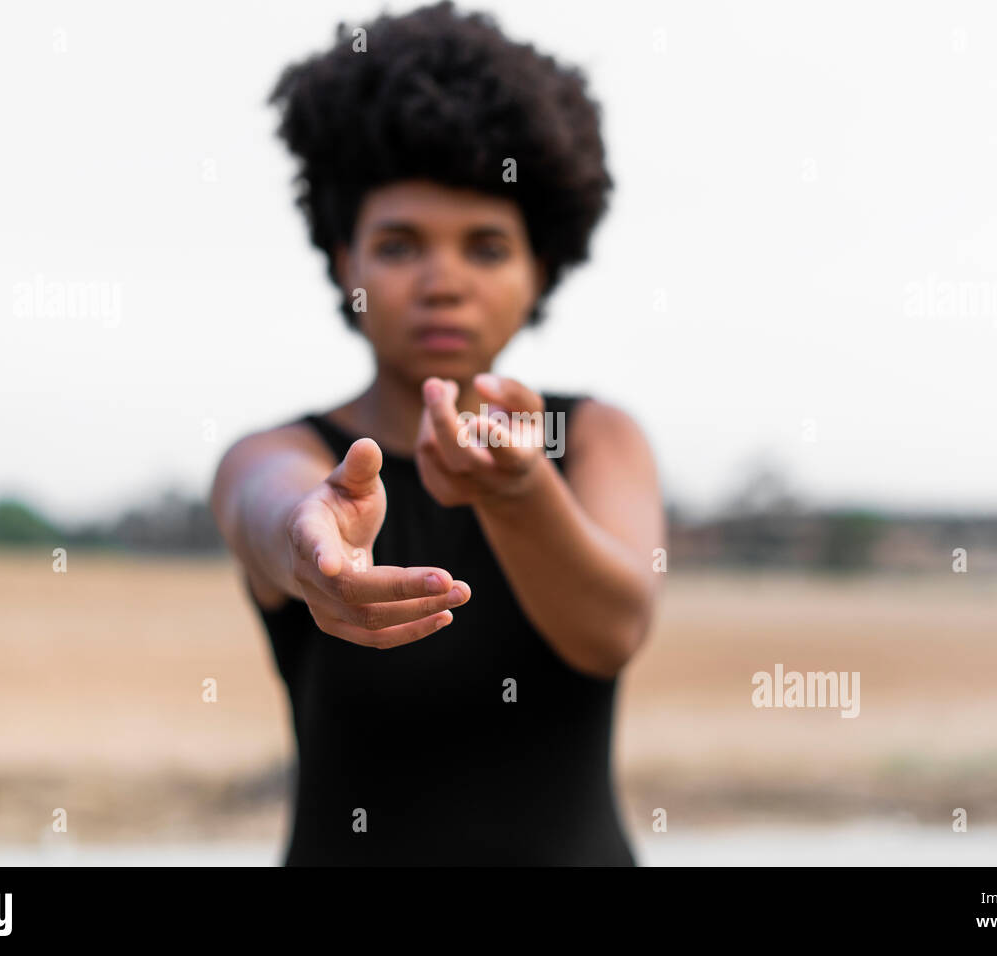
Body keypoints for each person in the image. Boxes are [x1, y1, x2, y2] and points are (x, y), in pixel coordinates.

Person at [209, 0, 664, 865]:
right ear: (346, 263)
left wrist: (520, 492)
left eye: (487, 247)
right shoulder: (290, 457)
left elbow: (611, 629)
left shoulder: (599, 439)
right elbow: (268, 505)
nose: (442, 280)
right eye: (399, 244)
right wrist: (308, 543)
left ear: (540, 271)